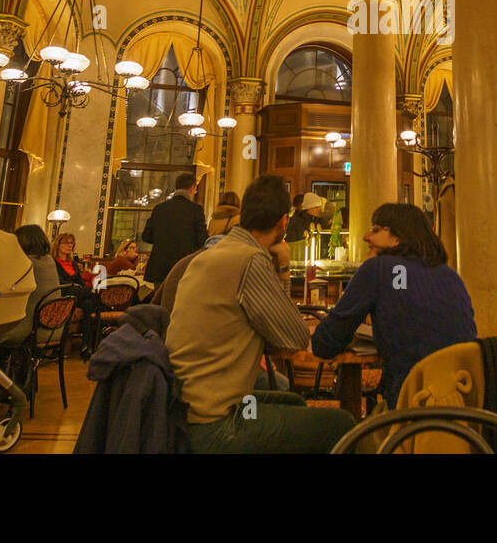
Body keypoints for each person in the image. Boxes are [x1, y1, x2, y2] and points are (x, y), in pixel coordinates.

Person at [166, 174, 356, 453]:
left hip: (180, 410)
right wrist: (283, 265)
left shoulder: (211, 255)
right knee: (343, 424)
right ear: (283, 221)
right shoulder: (250, 259)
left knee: (292, 402)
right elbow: (294, 337)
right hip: (215, 424)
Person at [311, 203, 477, 409]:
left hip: (412, 409)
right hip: (466, 408)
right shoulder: (450, 275)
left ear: (396, 238)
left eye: (376, 229)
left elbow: (324, 343)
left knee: (349, 429)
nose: (365, 236)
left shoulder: (378, 269)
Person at [0, 225, 62, 347]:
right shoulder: (49, 261)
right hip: (53, 329)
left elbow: (3, 288)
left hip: (28, 330)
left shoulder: (26, 262)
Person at [141, 172, 207, 286]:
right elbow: (202, 239)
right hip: (183, 267)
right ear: (192, 188)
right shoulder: (196, 210)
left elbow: (146, 235)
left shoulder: (159, 208)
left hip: (159, 268)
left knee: (160, 302)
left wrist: (162, 239)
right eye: (195, 189)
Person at [286, 191, 324, 261]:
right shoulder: (296, 222)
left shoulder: (319, 222)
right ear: (308, 208)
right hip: (299, 261)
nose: (319, 210)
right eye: (316, 207)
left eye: (319, 207)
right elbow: (292, 244)